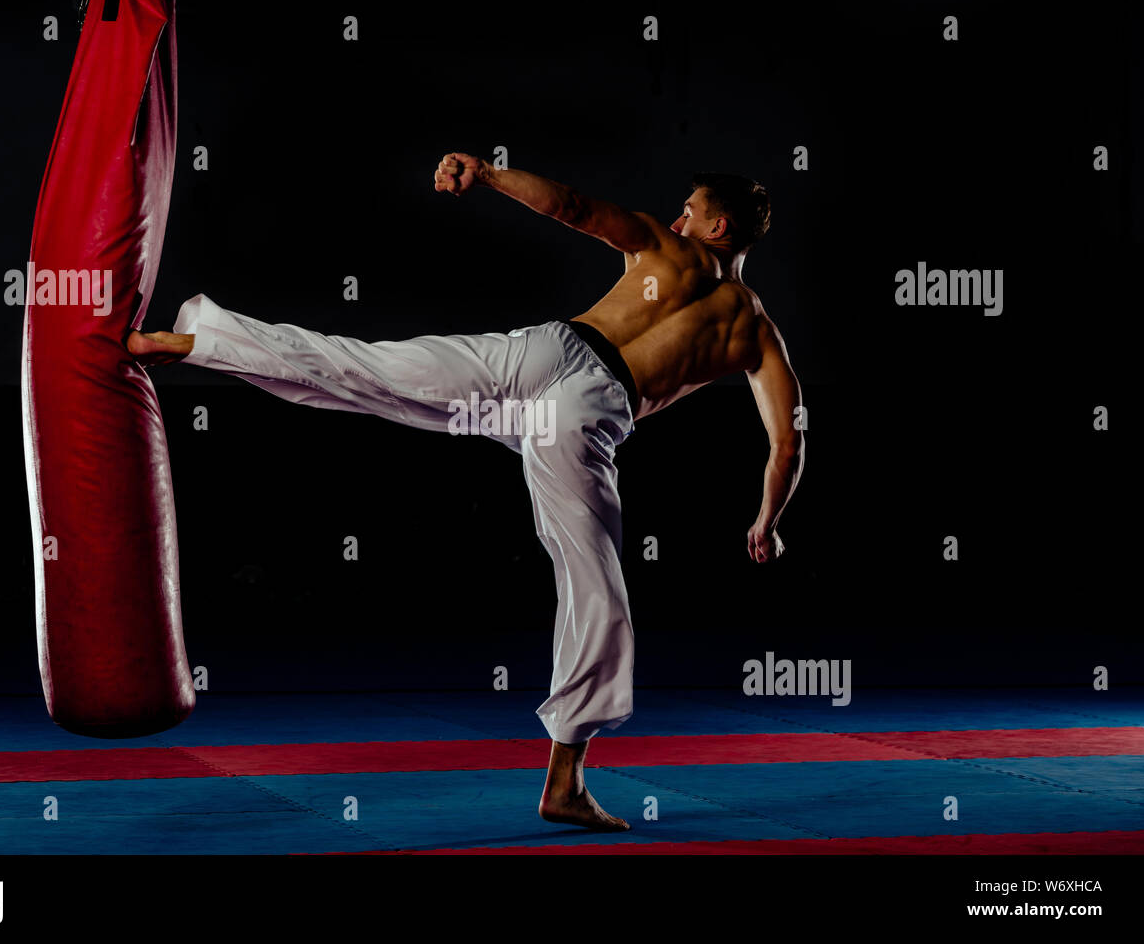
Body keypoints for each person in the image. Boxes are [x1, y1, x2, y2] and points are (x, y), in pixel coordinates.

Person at [128, 154, 805, 831]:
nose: (678, 212)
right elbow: (786, 441)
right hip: (582, 413)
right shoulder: (753, 330)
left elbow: (570, 205)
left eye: (690, 207)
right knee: (595, 588)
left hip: (544, 353)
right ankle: (565, 781)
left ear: (717, 224)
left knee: (375, 369)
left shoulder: (665, 245)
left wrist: (485, 172)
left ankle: (199, 341)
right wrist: (767, 519)